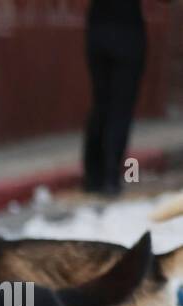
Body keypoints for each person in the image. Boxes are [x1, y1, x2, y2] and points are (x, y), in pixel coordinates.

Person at [82, 0, 149, 197]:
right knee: (121, 107)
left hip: (97, 31)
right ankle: (110, 177)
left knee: (101, 103)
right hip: (127, 32)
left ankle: (92, 176)